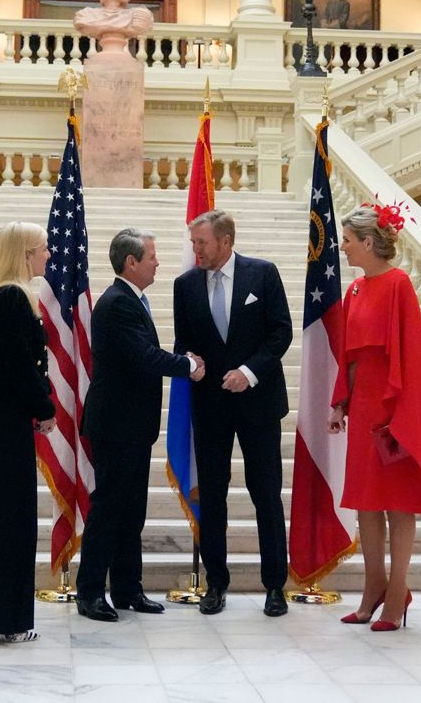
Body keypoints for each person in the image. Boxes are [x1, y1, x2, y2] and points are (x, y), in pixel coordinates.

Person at [329, 204, 421, 632]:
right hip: (364, 403)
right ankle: (374, 589)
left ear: (368, 242)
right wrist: (340, 402)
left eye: (347, 240)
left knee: (399, 506)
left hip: (394, 406)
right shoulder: (354, 291)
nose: (343, 247)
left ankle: (397, 592)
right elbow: (348, 355)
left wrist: (401, 412)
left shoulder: (399, 284)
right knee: (367, 504)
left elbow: (412, 354)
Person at [76, 229, 204, 622]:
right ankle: (90, 592)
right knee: (109, 509)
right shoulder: (117, 304)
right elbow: (143, 356)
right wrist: (188, 365)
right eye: (151, 256)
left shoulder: (132, 300)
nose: (157, 262)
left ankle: (129, 589)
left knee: (132, 512)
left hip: (131, 427)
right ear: (131, 262)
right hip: (116, 425)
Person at [172, 210, 293, 617]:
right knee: (214, 497)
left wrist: (248, 372)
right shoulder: (184, 284)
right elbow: (182, 342)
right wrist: (189, 359)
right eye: (194, 243)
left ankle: (275, 586)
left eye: (201, 243)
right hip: (210, 407)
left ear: (225, 241)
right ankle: (215, 584)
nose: (196, 250)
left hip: (258, 403)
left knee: (266, 495)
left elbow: (281, 331)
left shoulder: (263, 274)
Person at [0, 221, 56, 644]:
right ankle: (6, 618)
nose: (48, 255)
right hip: (5, 415)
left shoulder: (7, 297)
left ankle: (5, 615)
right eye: (42, 249)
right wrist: (44, 408)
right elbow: (21, 367)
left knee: (12, 514)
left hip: (3, 413)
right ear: (24, 254)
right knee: (12, 517)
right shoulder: (10, 299)